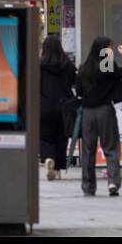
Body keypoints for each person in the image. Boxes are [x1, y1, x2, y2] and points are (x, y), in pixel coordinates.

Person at [77, 36, 122, 196]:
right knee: (111, 148)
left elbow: (78, 92)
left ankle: (88, 187)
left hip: (87, 113)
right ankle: (113, 182)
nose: (111, 51)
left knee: (88, 151)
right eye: (109, 48)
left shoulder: (84, 68)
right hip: (105, 110)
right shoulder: (108, 67)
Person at [39, 35, 76, 180]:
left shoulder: (39, 66)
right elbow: (74, 83)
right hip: (64, 106)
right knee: (62, 137)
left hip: (44, 106)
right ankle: (59, 167)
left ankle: (48, 158)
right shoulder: (68, 65)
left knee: (44, 137)